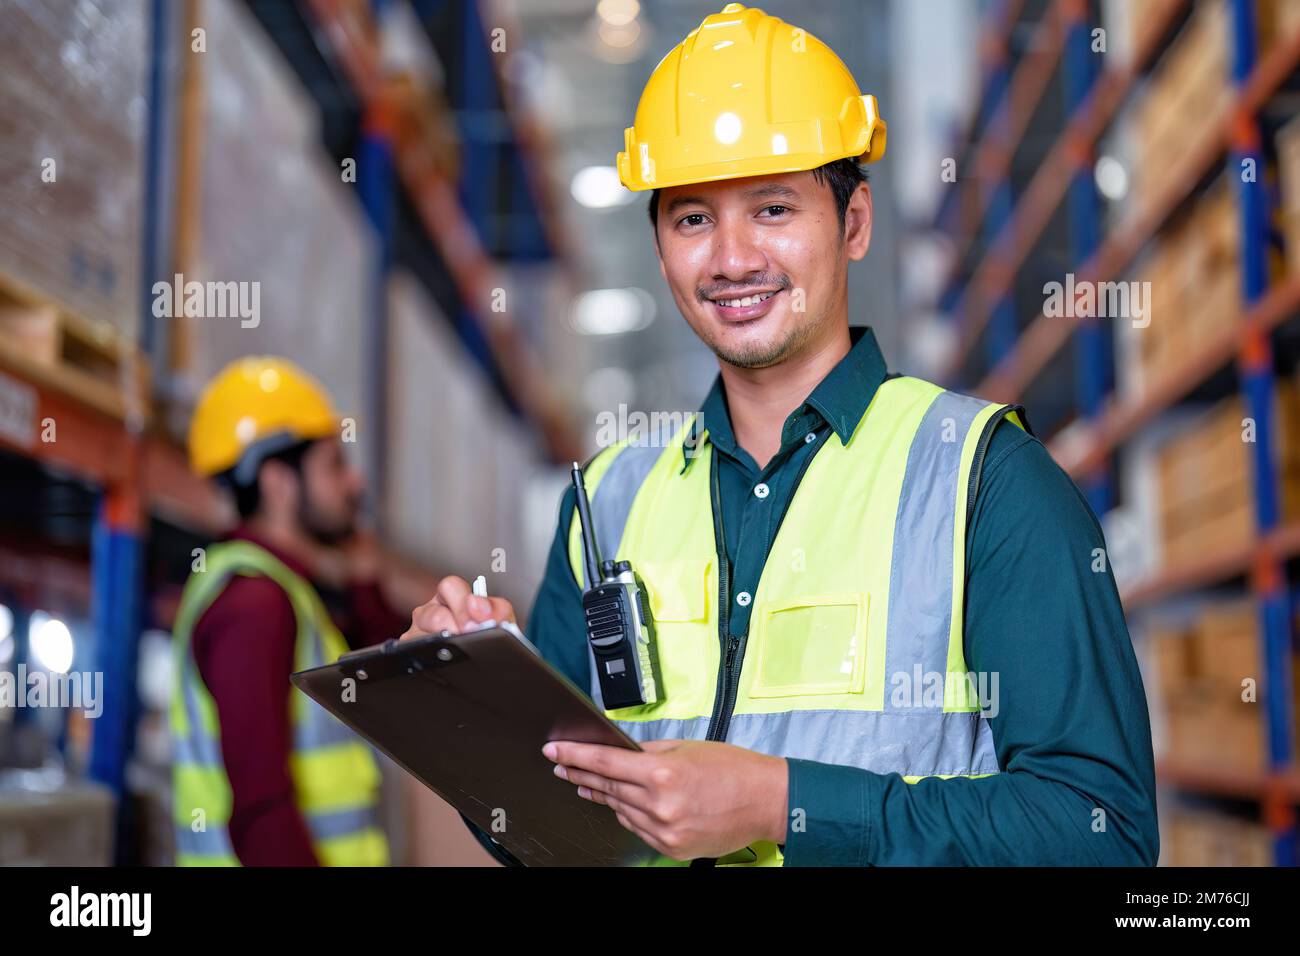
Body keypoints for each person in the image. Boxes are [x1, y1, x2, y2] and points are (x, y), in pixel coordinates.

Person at [405, 2, 1158, 867]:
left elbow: (1103, 834)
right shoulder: (606, 502)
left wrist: (784, 803)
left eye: (771, 209)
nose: (731, 259)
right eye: (693, 218)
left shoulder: (985, 483)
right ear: (659, 246)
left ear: (855, 222)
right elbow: (558, 839)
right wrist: (473, 707)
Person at [171, 357, 403, 865]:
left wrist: (364, 577)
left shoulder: (285, 592)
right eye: (334, 465)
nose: (355, 483)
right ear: (279, 482)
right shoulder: (256, 605)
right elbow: (261, 808)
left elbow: (395, 688)